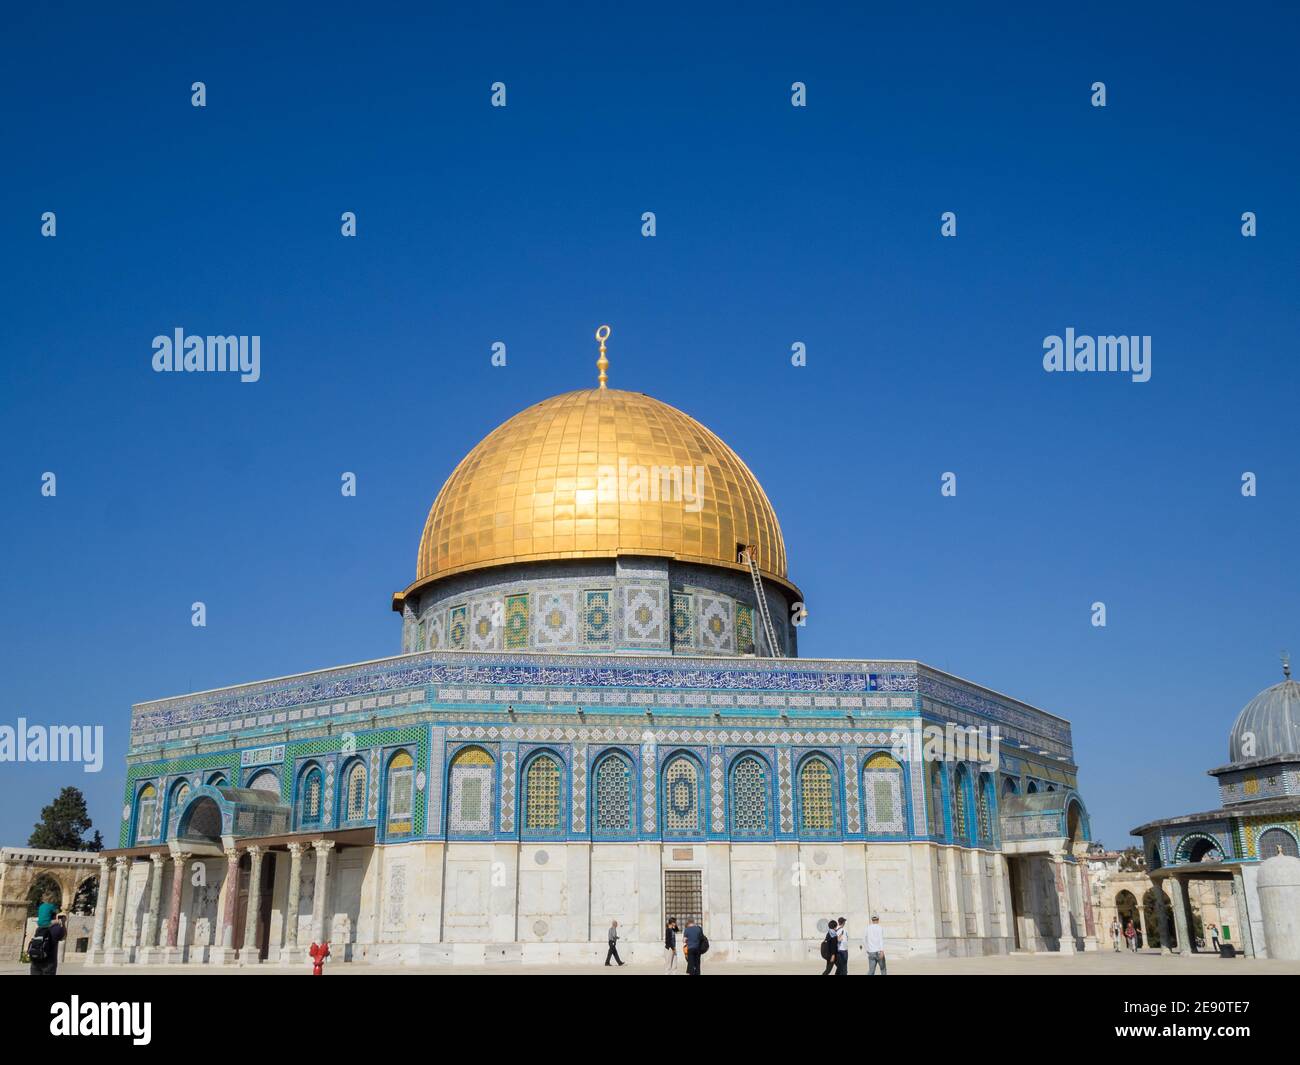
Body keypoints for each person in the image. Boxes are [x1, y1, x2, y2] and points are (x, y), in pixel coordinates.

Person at [28, 901, 66, 976]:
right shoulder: (56, 928)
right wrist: (63, 923)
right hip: (49, 964)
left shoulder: (39, 929)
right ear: (54, 915)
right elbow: (63, 937)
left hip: (36, 962)